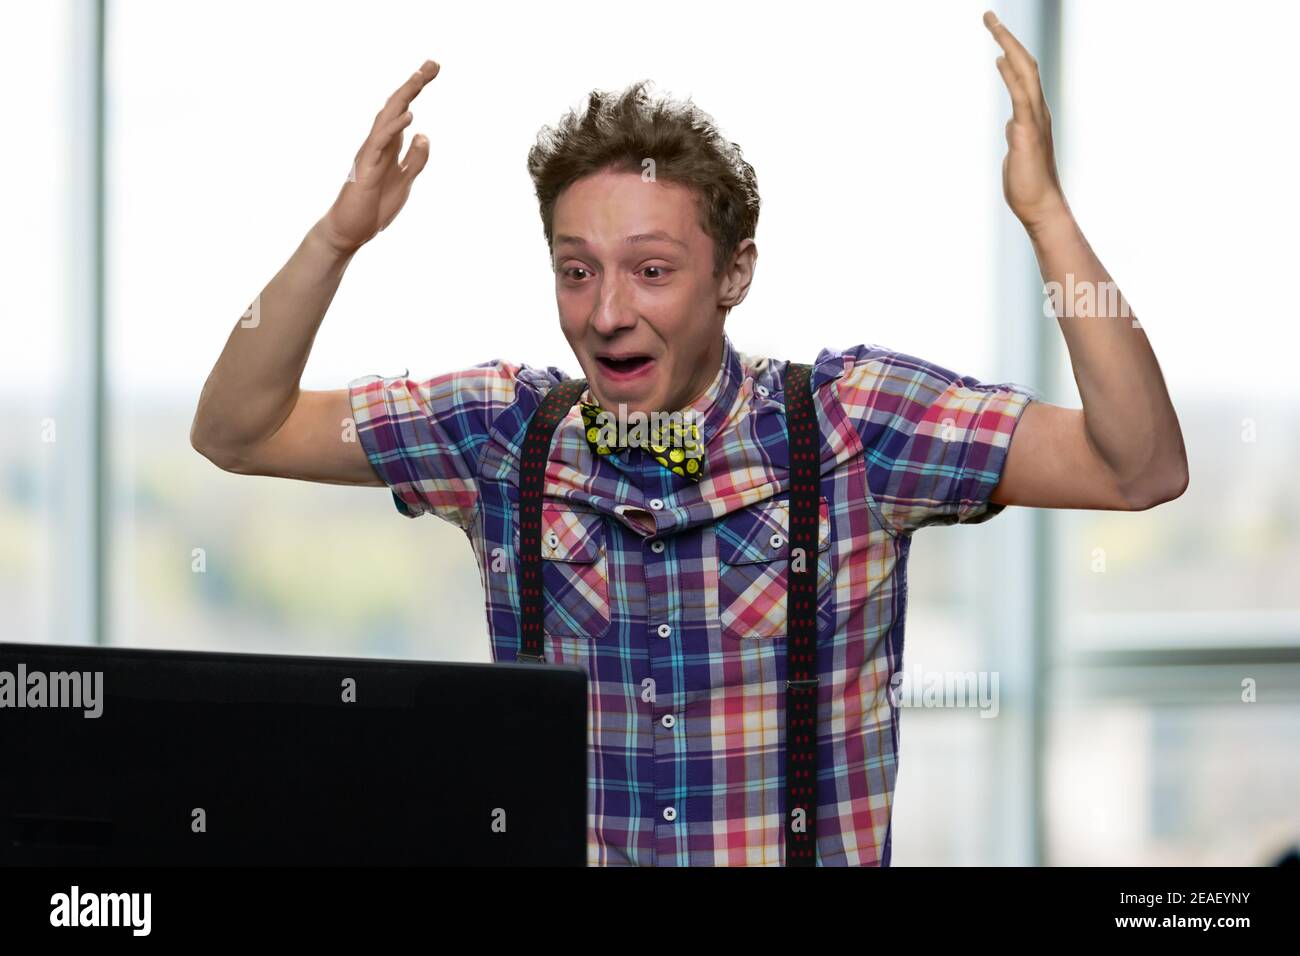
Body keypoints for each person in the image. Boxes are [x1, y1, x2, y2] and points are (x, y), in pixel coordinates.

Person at [190, 11, 1188, 865]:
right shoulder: (499, 434)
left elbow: (1138, 465)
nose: (607, 311)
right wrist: (336, 236)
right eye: (576, 271)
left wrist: (1046, 214)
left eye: (652, 269)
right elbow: (238, 427)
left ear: (734, 274)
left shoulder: (853, 426)